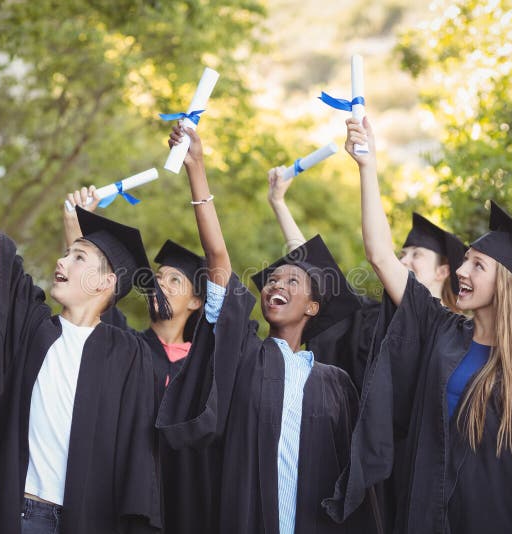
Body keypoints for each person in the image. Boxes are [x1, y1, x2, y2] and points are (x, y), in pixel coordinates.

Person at [324, 115, 512, 533]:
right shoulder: (441, 330)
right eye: (464, 261)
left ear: (506, 283)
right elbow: (380, 255)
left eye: (478, 265)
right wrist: (368, 168)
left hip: (493, 518)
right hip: (424, 517)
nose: (462, 271)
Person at [0, 102, 164, 534]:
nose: (61, 261)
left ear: (107, 283)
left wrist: (80, 229)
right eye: (66, 253)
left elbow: (139, 458)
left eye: (77, 256)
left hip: (89, 522)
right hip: (19, 515)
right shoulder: (34, 326)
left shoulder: (130, 355)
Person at [157, 125, 367, 533]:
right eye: (272, 280)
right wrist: (196, 168)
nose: (276, 286)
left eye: (292, 282)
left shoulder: (336, 384)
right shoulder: (244, 355)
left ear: (312, 306)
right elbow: (218, 258)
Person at [63, 190, 216, 534]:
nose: (160, 283)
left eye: (174, 279)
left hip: (189, 501)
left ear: (195, 302)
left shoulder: (204, 368)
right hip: (128, 495)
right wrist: (76, 226)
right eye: (158, 276)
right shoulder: (127, 346)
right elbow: (86, 296)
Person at [266, 166, 465, 390]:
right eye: (402, 254)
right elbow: (311, 270)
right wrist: (278, 202)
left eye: (416, 255)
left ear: (443, 272)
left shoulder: (455, 334)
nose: (404, 261)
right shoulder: (369, 318)